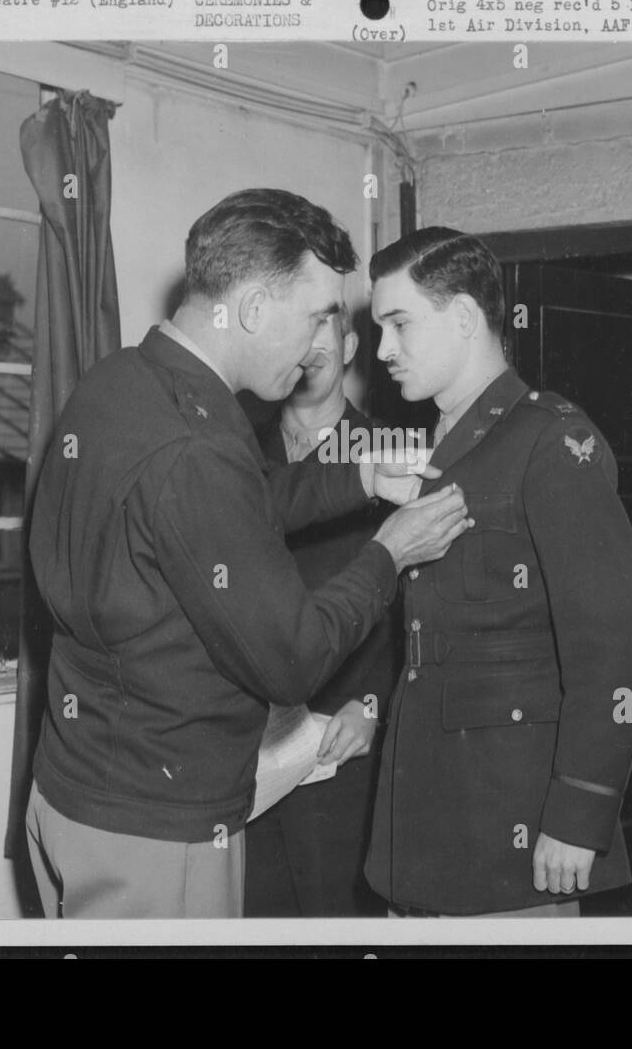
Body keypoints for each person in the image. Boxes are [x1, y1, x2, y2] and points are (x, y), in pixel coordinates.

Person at [24, 190, 470, 918]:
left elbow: (223, 507)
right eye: (318, 314)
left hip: (72, 793)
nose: (321, 342)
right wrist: (389, 552)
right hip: (155, 833)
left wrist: (358, 476)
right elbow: (292, 658)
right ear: (256, 309)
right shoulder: (197, 447)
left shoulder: (125, 380)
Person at [364, 227, 632, 917]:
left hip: (515, 831)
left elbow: (618, 644)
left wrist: (579, 813)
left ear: (465, 317)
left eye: (399, 323)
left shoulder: (551, 440)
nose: (382, 349)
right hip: (430, 822)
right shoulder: (438, 447)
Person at [245, 304, 398, 917]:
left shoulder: (388, 454)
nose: (309, 346)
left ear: (351, 345)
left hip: (340, 737)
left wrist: (373, 705)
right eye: (297, 328)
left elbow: (413, 599)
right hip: (248, 743)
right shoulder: (234, 449)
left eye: (323, 329)